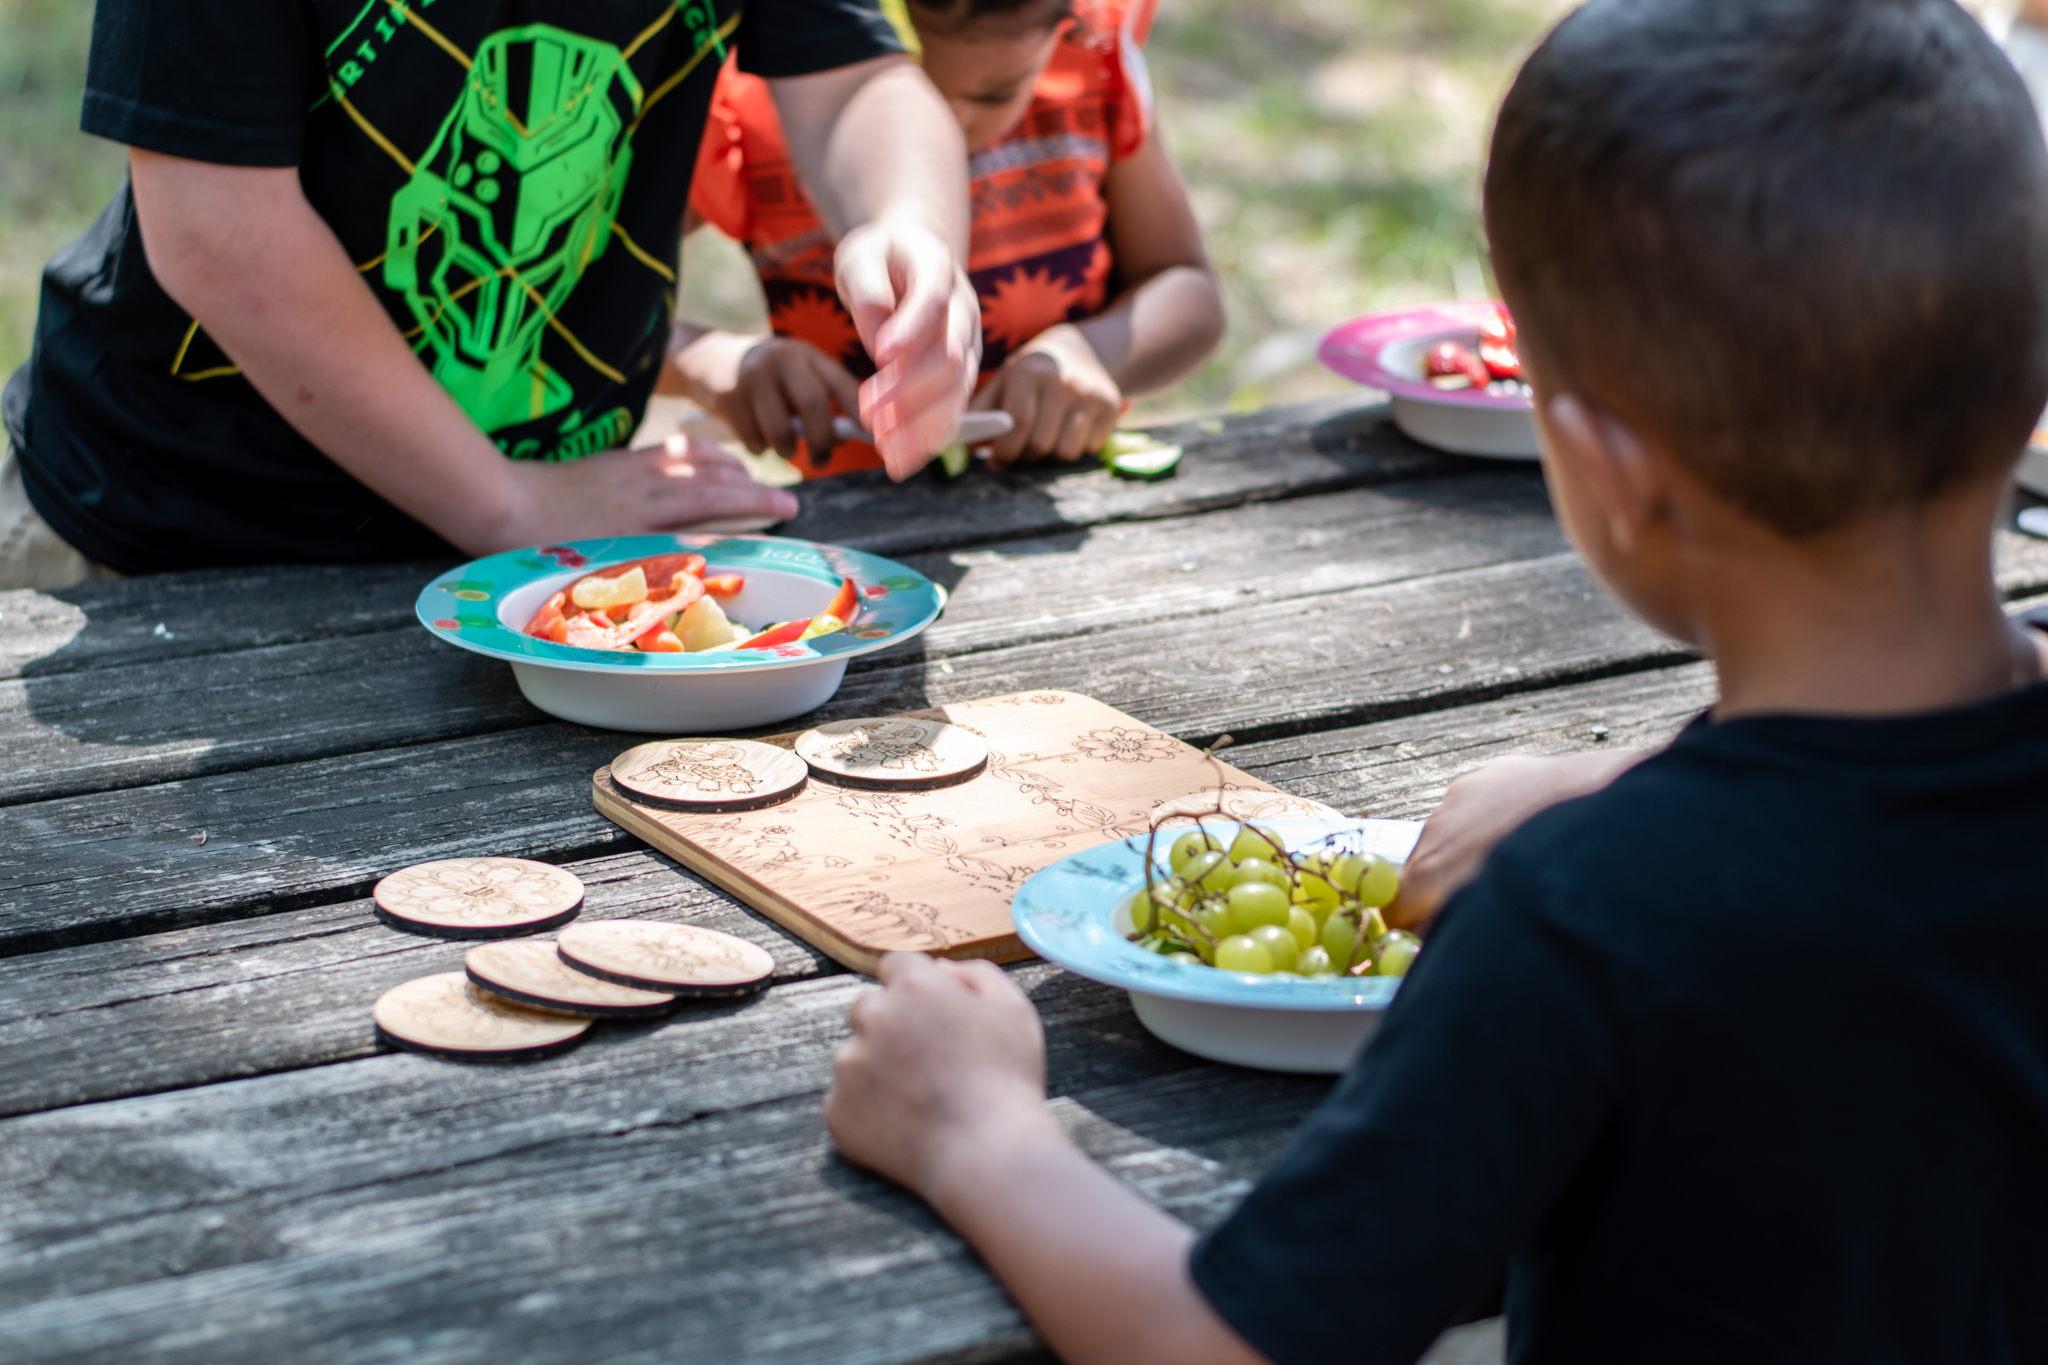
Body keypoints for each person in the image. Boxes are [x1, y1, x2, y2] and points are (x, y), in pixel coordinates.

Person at [821, 1, 2048, 1361]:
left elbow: (1231, 1345)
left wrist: (974, 1129)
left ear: (1607, 469)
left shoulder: (1584, 915)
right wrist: (1624, 772)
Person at [0, 0, 984, 591]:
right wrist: (507, 503)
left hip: (541, 547)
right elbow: (218, 232)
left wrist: (909, 226)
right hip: (179, 542)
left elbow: (853, 82)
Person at [667, 0, 1223, 474]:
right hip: (853, 519)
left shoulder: (1093, 75)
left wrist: (1095, 353)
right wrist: (710, 361)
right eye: (905, 99)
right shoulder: (762, 113)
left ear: (1064, 25)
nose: (947, 127)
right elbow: (615, 308)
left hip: (1064, 488)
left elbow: (1186, 285)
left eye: (994, 95)